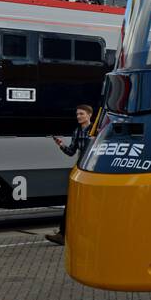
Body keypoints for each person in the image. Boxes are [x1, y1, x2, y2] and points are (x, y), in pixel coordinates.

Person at [47, 104, 95, 246]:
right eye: (77, 114)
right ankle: (63, 234)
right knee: (72, 203)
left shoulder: (96, 131)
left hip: (93, 171)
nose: (79, 116)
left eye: (81, 114)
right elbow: (71, 152)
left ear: (89, 115)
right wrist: (61, 145)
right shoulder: (77, 131)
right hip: (81, 170)